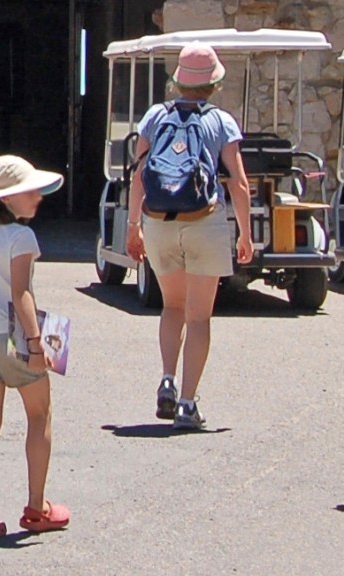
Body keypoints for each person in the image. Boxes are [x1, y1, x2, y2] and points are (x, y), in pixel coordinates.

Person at [122, 41, 254, 431]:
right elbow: (240, 184)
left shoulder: (154, 116)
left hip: (159, 223)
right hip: (204, 222)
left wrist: (133, 228)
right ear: (213, 83)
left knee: (172, 308)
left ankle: (166, 377)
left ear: (178, 81)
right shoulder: (221, 122)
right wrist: (244, 234)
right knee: (199, 317)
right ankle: (187, 403)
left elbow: (138, 177)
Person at [0, 154, 69, 540]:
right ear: (7, 199)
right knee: (40, 415)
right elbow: (19, 292)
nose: (37, 196)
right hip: (13, 336)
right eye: (29, 191)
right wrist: (37, 342)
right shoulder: (21, 238)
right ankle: (37, 506)